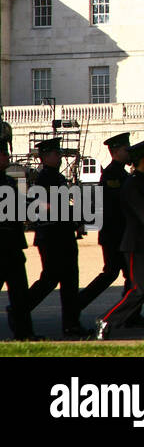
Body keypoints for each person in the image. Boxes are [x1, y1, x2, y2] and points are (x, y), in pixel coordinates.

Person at [96, 142, 144, 340]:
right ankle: (107, 320)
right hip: (137, 244)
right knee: (139, 289)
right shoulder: (132, 184)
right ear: (141, 160)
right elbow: (143, 212)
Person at [27, 137, 87, 337]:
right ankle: (20, 308)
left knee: (70, 282)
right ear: (45, 157)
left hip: (63, 235)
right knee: (50, 279)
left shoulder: (57, 177)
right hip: (51, 237)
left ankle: (71, 323)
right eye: (56, 153)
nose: (60, 157)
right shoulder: (44, 178)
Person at [77, 132, 132, 314]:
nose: (129, 152)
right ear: (116, 152)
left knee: (128, 276)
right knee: (113, 273)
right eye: (126, 149)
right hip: (114, 235)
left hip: (119, 234)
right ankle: (78, 304)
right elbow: (115, 204)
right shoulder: (112, 175)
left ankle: (130, 312)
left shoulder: (121, 173)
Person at [0, 137, 36, 340]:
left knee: (20, 293)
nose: (7, 157)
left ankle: (25, 333)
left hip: (12, 246)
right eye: (3, 154)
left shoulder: (9, 181)